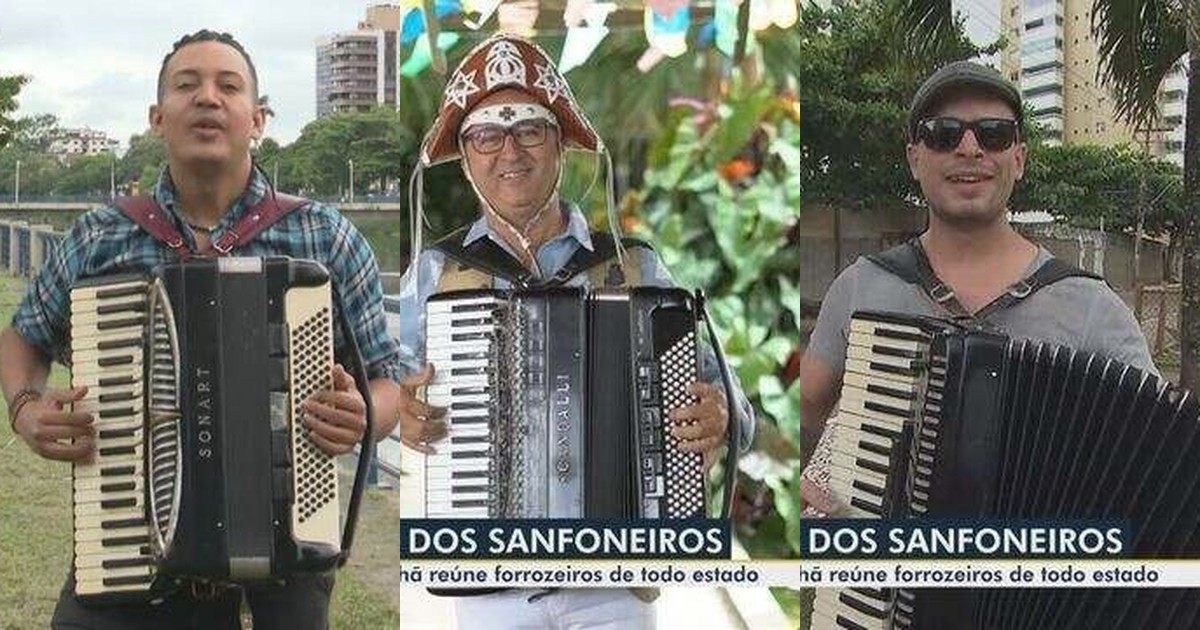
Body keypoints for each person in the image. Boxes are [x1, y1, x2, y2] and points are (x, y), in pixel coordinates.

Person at [0, 30, 405, 629]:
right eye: (187, 85)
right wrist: (27, 409)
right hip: (131, 549)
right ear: (158, 118)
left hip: (286, 557)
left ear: (258, 118)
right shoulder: (99, 236)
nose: (208, 98)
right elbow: (23, 338)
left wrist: (364, 413)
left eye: (228, 86)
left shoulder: (326, 237)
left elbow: (387, 379)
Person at [390, 34, 755, 629]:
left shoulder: (635, 267)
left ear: (560, 143)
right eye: (487, 133)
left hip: (614, 581)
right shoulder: (435, 273)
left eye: (530, 129)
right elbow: (377, 389)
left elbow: (738, 413)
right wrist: (398, 410)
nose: (510, 150)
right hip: (488, 583)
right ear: (465, 153)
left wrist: (719, 418)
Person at [796, 60, 1157, 515]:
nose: (969, 148)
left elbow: (1157, 462)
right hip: (878, 582)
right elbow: (803, 408)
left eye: (994, 133)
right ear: (914, 158)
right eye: (944, 133)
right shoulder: (861, 285)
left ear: (1019, 158)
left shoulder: (1092, 308)